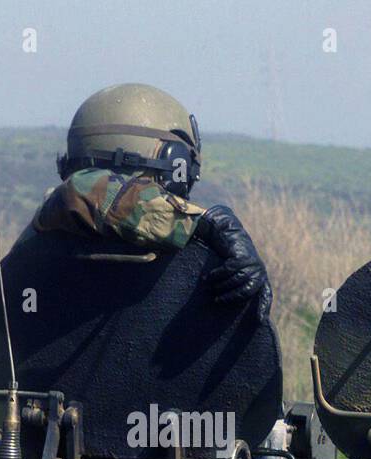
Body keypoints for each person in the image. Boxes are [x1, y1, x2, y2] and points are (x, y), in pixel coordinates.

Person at [33, 82, 271, 306]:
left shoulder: (57, 232)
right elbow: (86, 190)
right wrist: (207, 223)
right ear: (170, 160)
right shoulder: (63, 205)